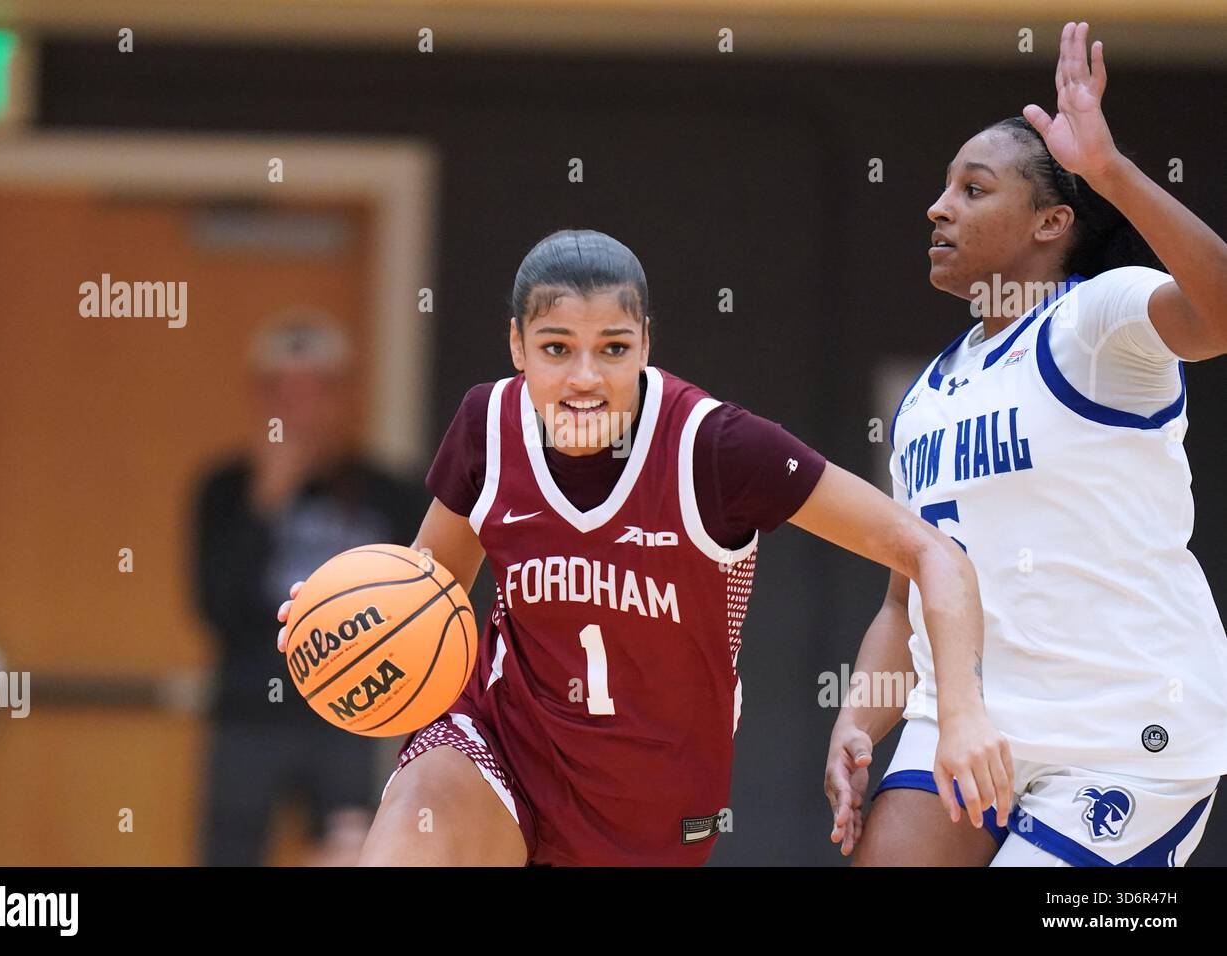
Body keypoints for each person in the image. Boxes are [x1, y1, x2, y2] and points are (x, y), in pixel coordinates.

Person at [277, 229, 1011, 866]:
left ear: (646, 345)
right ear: (516, 346)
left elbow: (930, 552)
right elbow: (427, 587)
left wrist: (962, 714)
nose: (585, 378)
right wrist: (343, 623)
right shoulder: (488, 425)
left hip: (650, 801)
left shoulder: (715, 447)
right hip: (500, 744)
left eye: (613, 348)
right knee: (414, 824)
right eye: (556, 348)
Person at [826, 22, 1227, 867]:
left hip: (1123, 735)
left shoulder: (1099, 319)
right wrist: (859, 723)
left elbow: (1220, 314)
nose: (938, 208)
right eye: (944, 189)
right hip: (967, 724)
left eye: (974, 190)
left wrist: (1111, 171)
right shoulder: (926, 399)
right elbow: (905, 605)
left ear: (1052, 222)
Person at [193, 309, 424, 865]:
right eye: (284, 393)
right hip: (248, 716)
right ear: (261, 398)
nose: (300, 410)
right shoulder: (224, 491)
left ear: (344, 398)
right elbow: (214, 607)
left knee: (358, 854)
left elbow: (422, 611)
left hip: (356, 718)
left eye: (317, 391)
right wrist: (266, 503)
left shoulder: (390, 495)